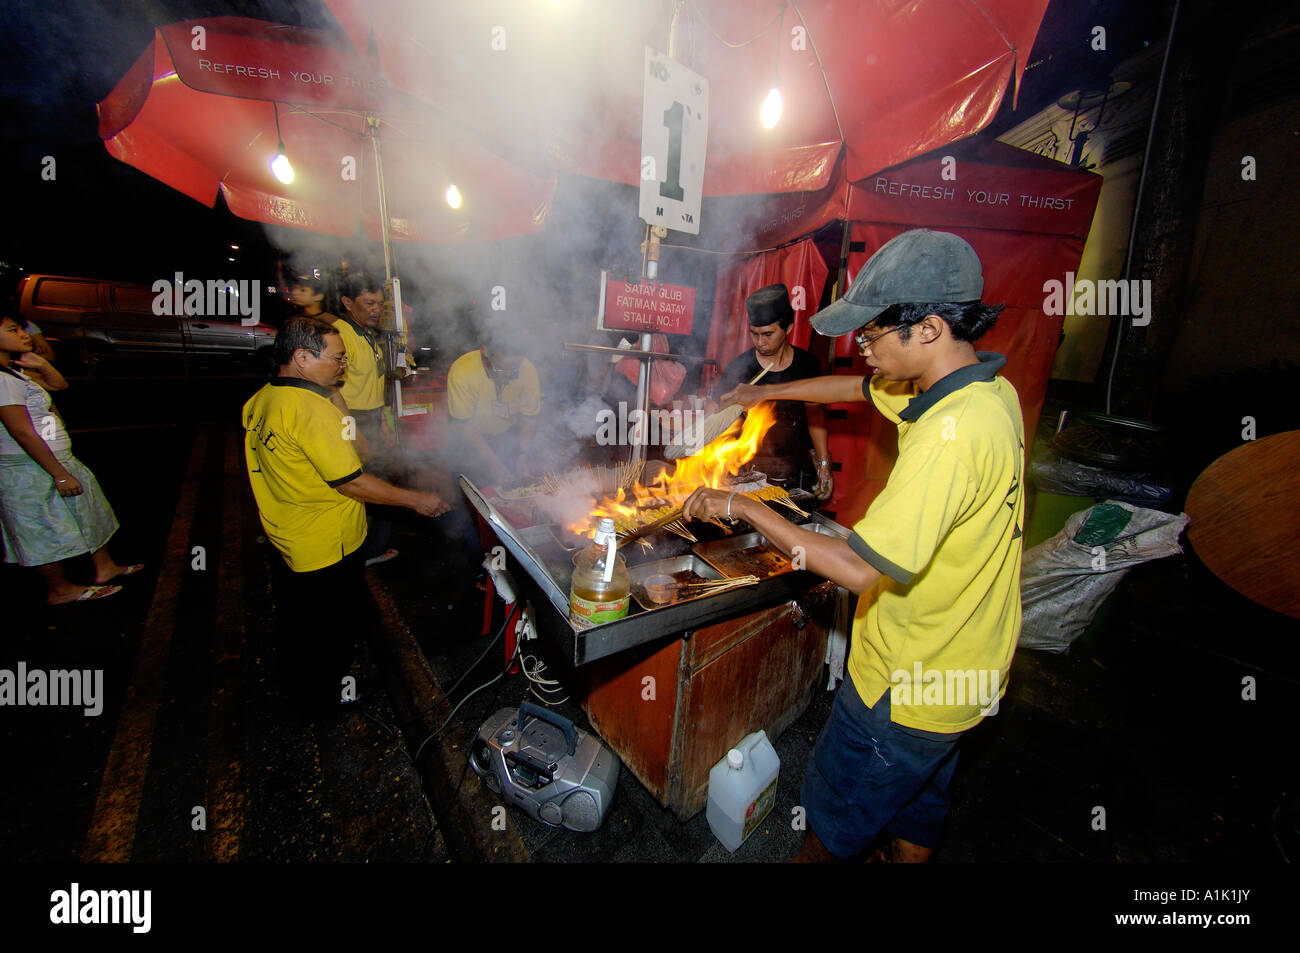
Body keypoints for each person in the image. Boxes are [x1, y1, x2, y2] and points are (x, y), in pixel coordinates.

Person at [683, 230, 1024, 862]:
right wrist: (764, 392)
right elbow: (851, 391)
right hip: (965, 674)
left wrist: (740, 503)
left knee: (833, 822)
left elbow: (854, 570)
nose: (860, 348)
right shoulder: (984, 392)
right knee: (916, 812)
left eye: (869, 335)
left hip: (907, 683)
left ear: (925, 329)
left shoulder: (949, 436)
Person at [242, 316, 451, 711]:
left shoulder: (263, 398)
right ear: (302, 357)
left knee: (302, 621)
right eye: (338, 359)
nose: (344, 366)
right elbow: (352, 481)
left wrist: (336, 398)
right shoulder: (311, 412)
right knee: (329, 628)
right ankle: (321, 699)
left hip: (287, 531)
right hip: (326, 541)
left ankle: (305, 685)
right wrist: (416, 500)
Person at [0, 315, 141, 603]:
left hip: (57, 457)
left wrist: (41, 364)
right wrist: (59, 474)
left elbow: (59, 386)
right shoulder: (1, 380)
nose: (25, 335)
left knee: (88, 513)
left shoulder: (15, 370)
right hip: (30, 466)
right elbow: (21, 432)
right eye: (13, 330)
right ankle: (59, 589)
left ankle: (105, 567)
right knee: (42, 528)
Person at [710, 284, 832, 499]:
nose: (760, 342)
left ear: (789, 328)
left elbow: (815, 415)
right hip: (748, 470)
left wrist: (823, 463)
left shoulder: (807, 364)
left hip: (794, 466)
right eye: (754, 334)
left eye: (768, 334)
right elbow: (720, 419)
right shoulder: (741, 367)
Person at [332, 271, 399, 564]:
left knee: (377, 480)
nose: (375, 309)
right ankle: (358, 549)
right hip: (350, 420)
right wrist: (355, 434)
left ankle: (371, 547)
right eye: (368, 302)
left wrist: (383, 419)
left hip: (371, 417)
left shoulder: (366, 334)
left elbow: (374, 383)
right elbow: (332, 393)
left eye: (379, 304)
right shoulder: (339, 336)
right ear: (348, 302)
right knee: (360, 485)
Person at [446, 317, 541, 487]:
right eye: (500, 369)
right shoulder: (463, 370)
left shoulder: (528, 369)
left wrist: (523, 453)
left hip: (506, 438)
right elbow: (463, 426)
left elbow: (529, 417)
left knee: (512, 493)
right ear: (485, 352)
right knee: (473, 496)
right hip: (470, 442)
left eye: (513, 370)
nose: (506, 376)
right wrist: (493, 463)